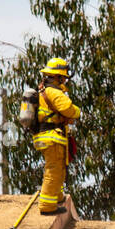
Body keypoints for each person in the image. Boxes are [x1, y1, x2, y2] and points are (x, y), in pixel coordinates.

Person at [31, 57, 81, 216]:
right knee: (54, 170)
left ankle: (56, 197)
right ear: (58, 76)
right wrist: (77, 112)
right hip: (52, 137)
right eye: (64, 77)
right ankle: (46, 205)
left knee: (59, 168)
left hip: (48, 136)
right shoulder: (54, 92)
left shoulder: (44, 90)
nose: (65, 80)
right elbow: (68, 108)